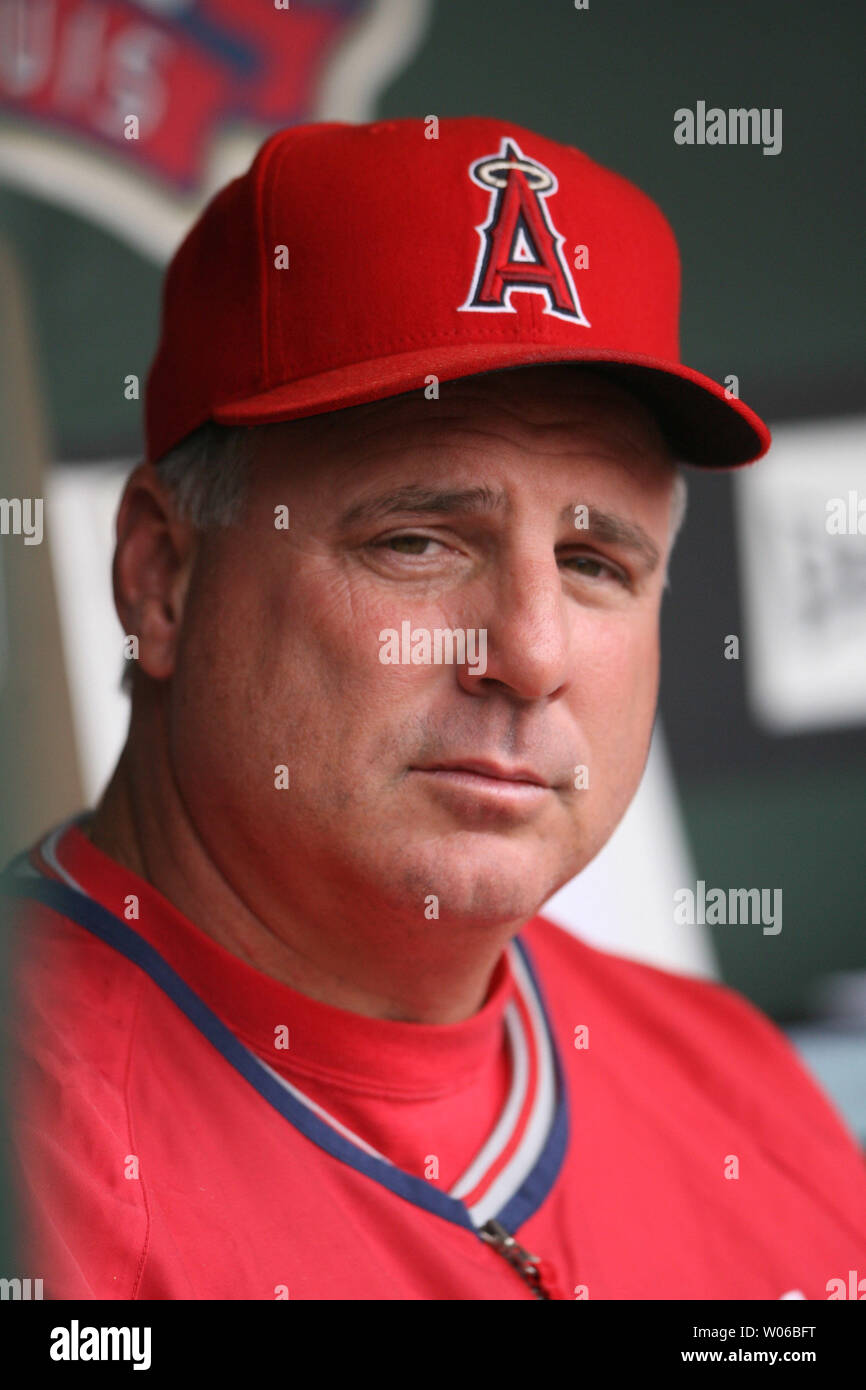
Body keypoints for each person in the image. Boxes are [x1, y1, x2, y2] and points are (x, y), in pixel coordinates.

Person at [3, 117, 864, 1301]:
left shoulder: (737, 1087)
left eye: (594, 561)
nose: (526, 652)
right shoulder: (38, 1172)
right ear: (162, 574)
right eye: (415, 539)